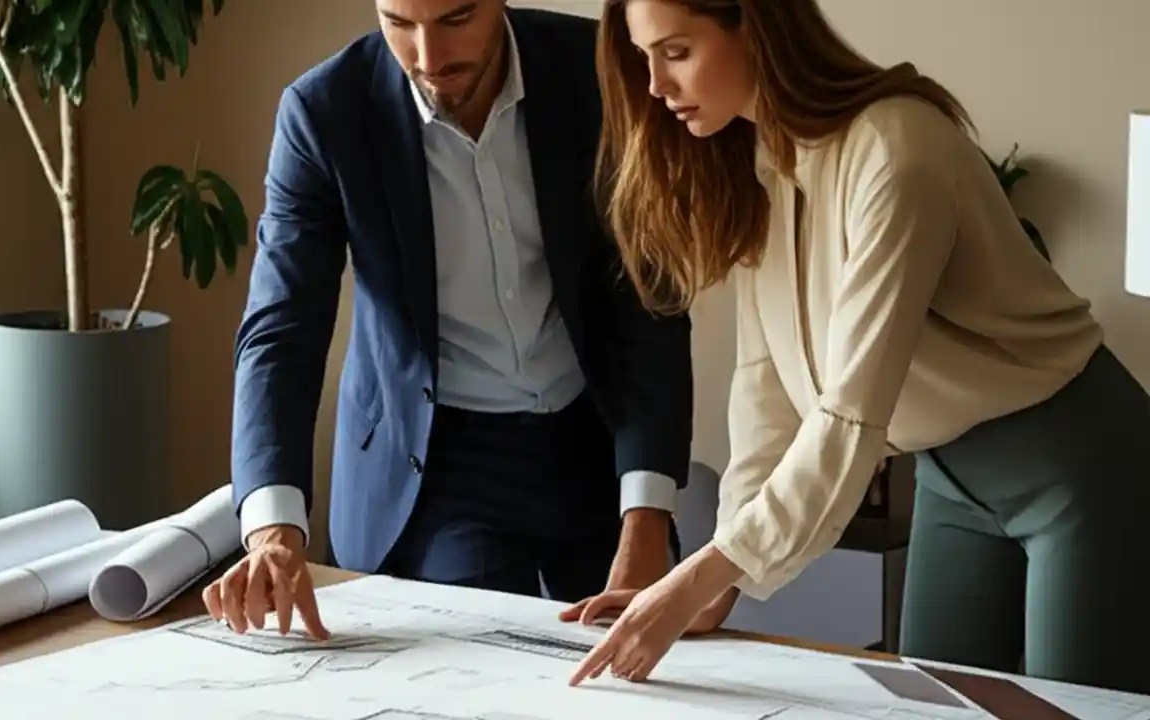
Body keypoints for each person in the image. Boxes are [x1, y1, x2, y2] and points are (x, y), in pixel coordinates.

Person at [563, 0, 1150, 697]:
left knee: (1075, 710)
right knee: (934, 707)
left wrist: (701, 573)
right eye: (644, 57)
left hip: (1077, 470)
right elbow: (766, 386)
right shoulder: (759, 160)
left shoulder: (897, 148)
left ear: (755, 25)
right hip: (950, 477)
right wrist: (728, 576)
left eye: (677, 51)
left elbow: (852, 410)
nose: (655, 86)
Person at [202, 0, 696, 642]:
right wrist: (272, 528)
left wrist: (648, 518)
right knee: (478, 678)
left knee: (649, 676)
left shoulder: (603, 70)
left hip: (593, 432)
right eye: (399, 23)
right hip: (438, 461)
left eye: (456, 18)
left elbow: (648, 297)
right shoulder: (325, 113)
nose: (429, 59)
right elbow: (281, 329)